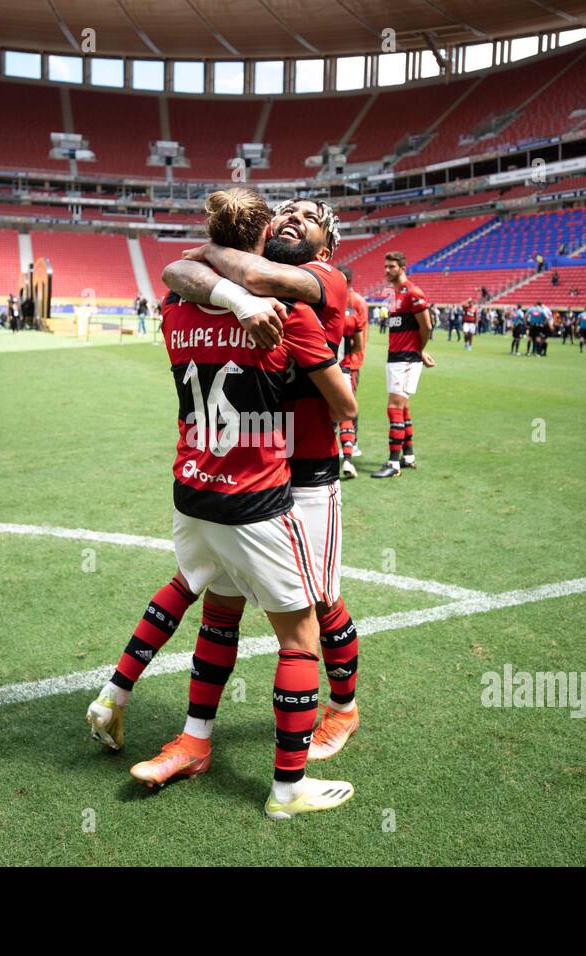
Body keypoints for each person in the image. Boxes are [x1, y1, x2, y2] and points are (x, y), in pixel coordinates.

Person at [90, 188, 359, 820]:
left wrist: (231, 277)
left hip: (305, 470)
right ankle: (196, 741)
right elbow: (193, 269)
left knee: (319, 605)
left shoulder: (324, 281)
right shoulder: (262, 302)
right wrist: (234, 290)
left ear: (327, 246)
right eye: (282, 215)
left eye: (308, 219)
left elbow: (216, 272)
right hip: (258, 478)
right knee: (221, 608)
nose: (294, 221)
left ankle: (342, 711)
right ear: (262, 233)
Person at [371, 251, 434, 478]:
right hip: (394, 357)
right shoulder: (390, 293)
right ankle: (408, 456)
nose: (387, 270)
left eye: (392, 267)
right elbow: (393, 322)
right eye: (386, 267)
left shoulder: (413, 292)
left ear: (402, 267)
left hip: (407, 359)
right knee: (403, 407)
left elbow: (426, 326)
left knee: (394, 408)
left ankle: (393, 463)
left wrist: (419, 351)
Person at [337, 266, 368, 479]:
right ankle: (348, 449)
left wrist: (356, 358)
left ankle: (352, 444)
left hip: (349, 362)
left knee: (348, 405)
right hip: (344, 362)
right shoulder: (339, 302)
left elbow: (361, 336)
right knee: (342, 406)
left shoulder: (356, 302)